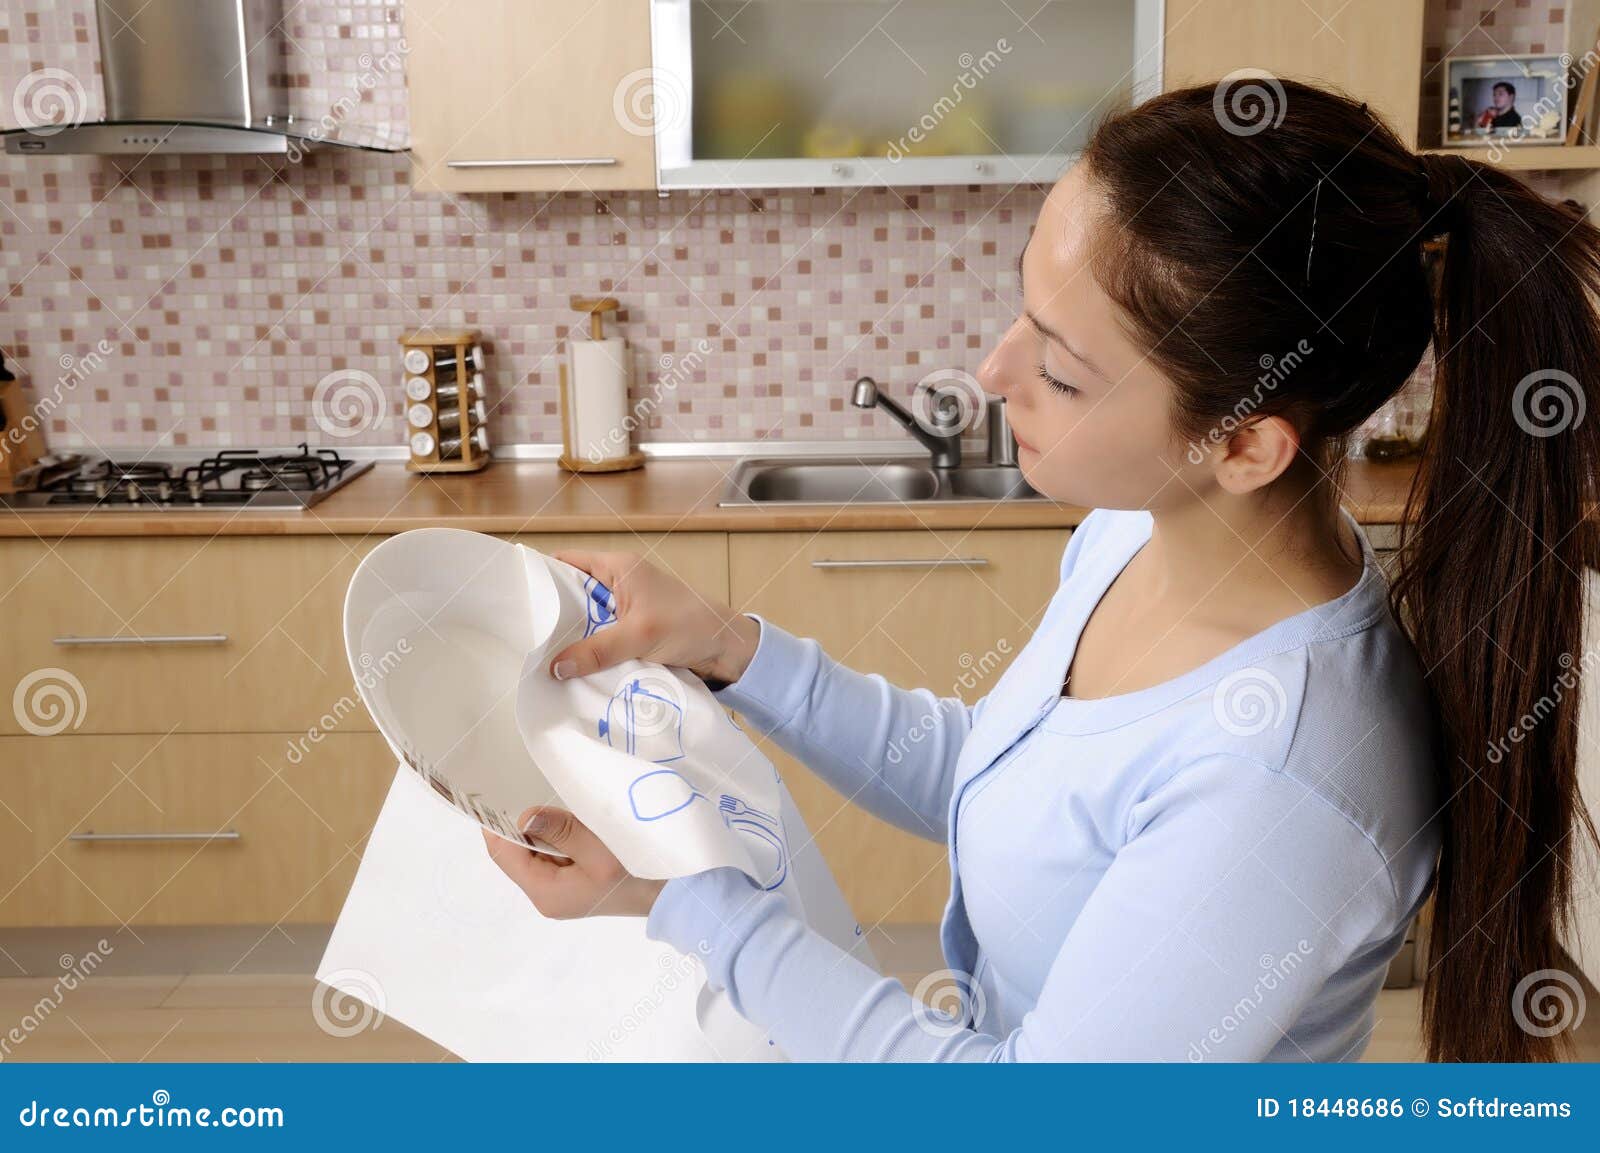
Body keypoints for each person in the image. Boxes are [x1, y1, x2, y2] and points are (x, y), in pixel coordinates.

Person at [484, 78, 1600, 1062]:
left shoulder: (1280, 777)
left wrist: (689, 905)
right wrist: (730, 648)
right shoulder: (1136, 531)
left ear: (1245, 445)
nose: (994, 368)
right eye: (1025, 308)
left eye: (1062, 373)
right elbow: (1007, 782)